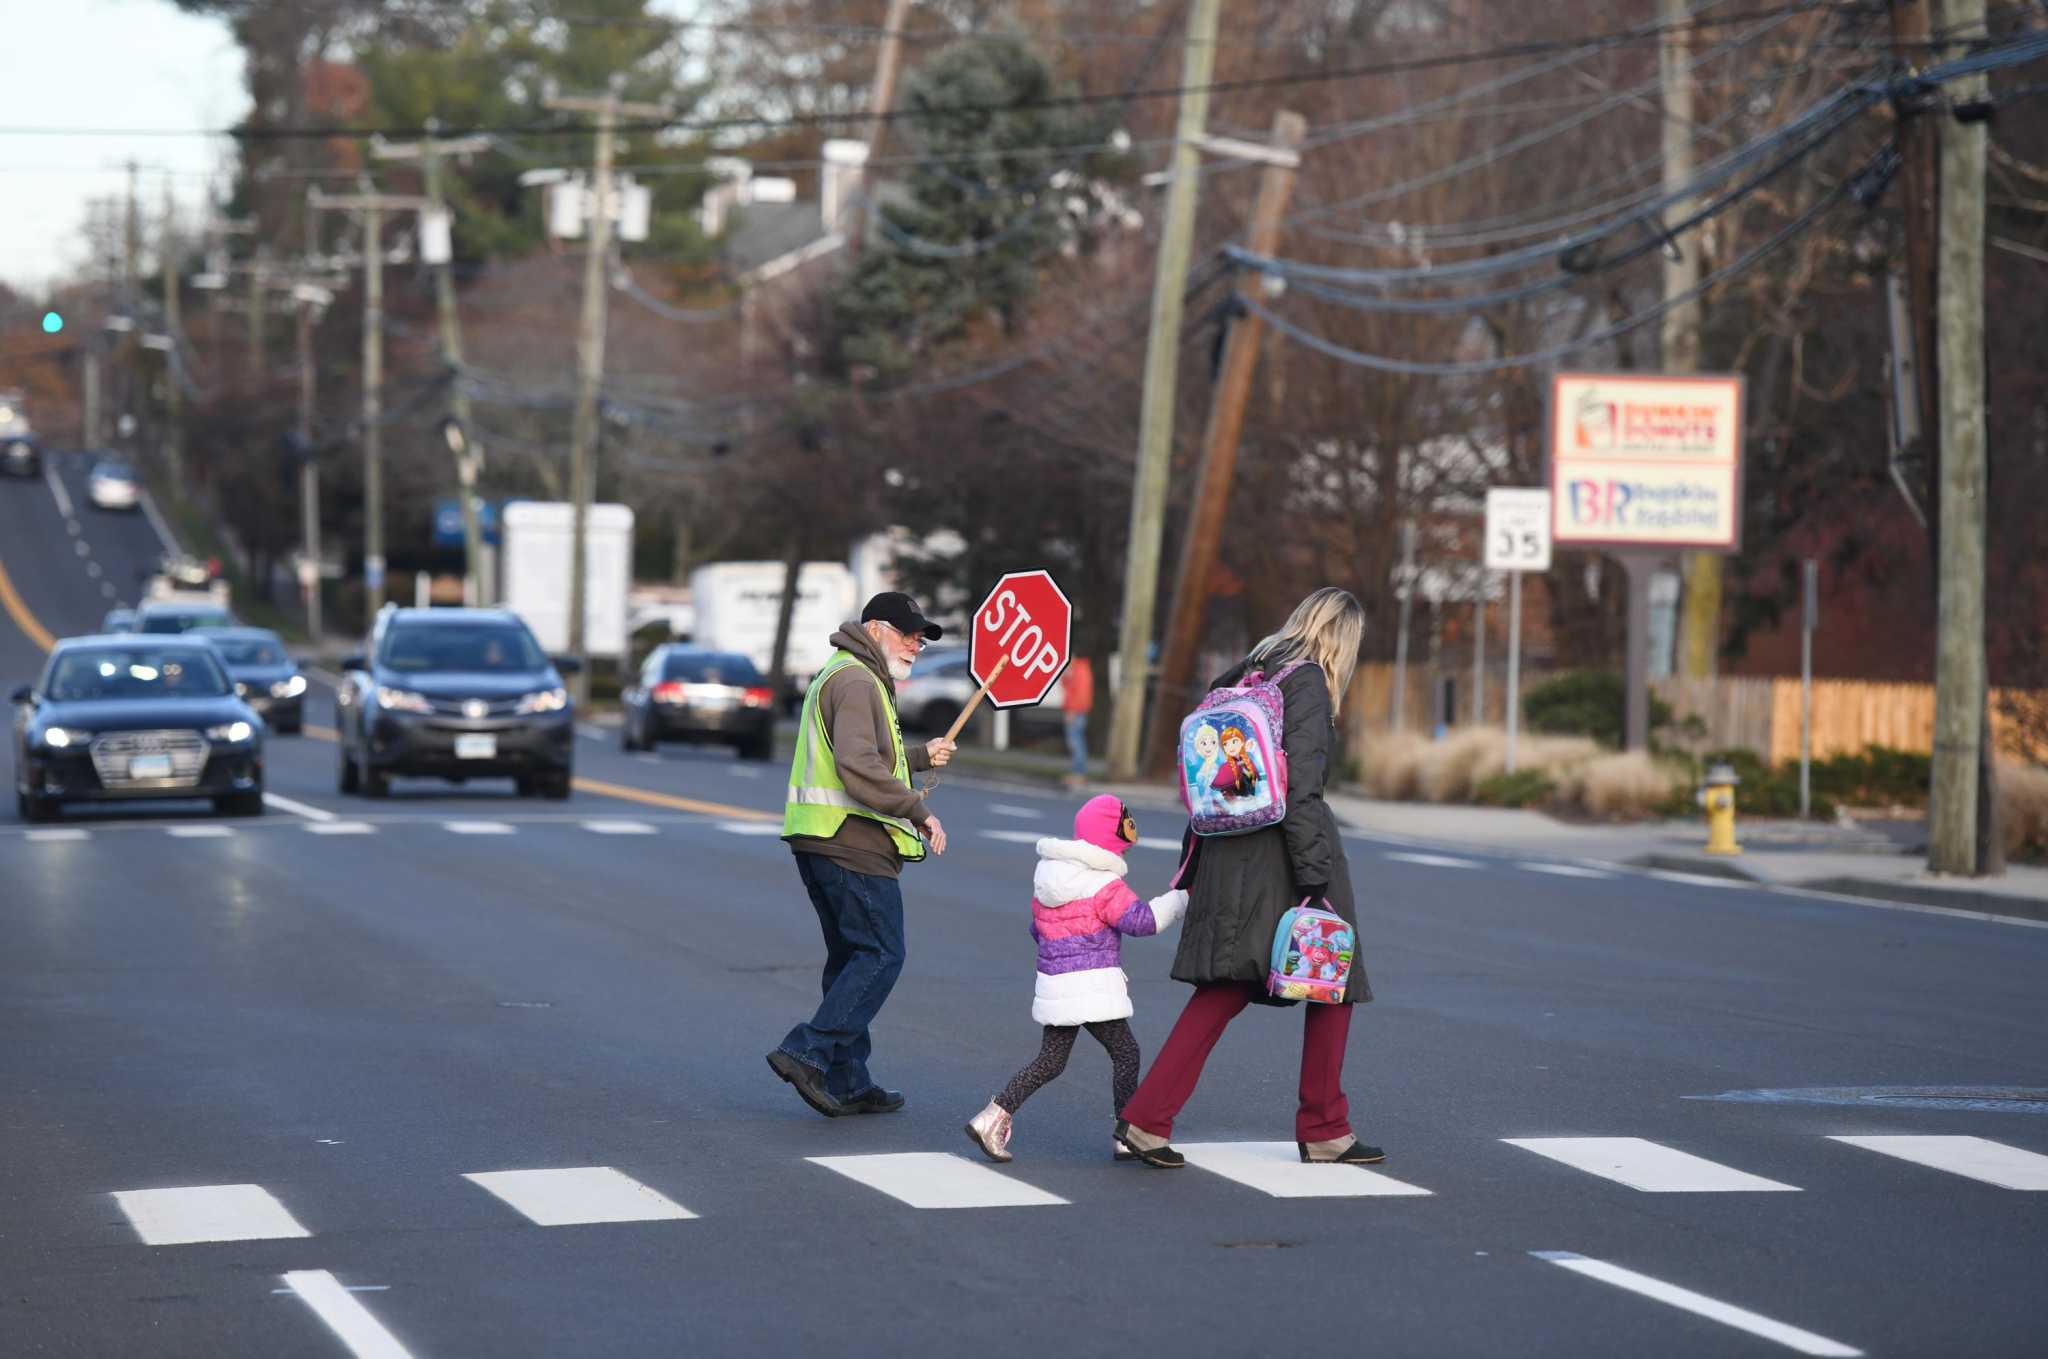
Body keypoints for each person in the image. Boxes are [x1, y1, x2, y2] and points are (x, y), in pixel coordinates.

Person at [1114, 587, 1381, 1169]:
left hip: (1226, 849)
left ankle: (1147, 1118)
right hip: (1281, 856)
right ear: (1342, 639)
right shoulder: (1307, 683)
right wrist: (1316, 878)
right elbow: (1302, 791)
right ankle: (1325, 1126)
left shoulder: (1244, 673)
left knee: (1227, 985)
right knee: (1332, 975)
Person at [769, 591, 957, 1118]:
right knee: (880, 954)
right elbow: (857, 766)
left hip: (822, 838)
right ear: (875, 628)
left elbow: (872, 756)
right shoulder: (856, 680)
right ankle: (807, 1050)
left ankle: (850, 1080)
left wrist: (920, 757)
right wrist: (918, 810)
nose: (915, 645)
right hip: (851, 841)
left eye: (920, 638)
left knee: (852, 958)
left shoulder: (849, 673)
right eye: (907, 634)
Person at [964, 796, 1187, 1163]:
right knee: (1126, 1053)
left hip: (1056, 981)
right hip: (1092, 985)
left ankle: (993, 1116)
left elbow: (1037, 930)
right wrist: (1179, 900)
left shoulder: (1048, 879)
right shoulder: (1104, 884)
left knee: (1050, 1061)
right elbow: (1142, 922)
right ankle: (1126, 1133)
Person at [1060, 655, 1094, 788]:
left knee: (1076, 743)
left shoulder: (1080, 671)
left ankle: (1079, 774)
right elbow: (1067, 687)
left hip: (1076, 711)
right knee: (1075, 742)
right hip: (1075, 710)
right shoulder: (1075, 670)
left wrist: (1072, 710)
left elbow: (1079, 693)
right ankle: (1077, 773)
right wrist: (1066, 676)